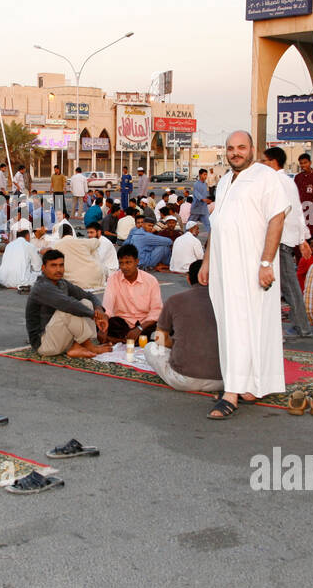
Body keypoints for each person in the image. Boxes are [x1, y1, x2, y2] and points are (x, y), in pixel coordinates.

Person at [199, 131, 289, 418]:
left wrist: (266, 263)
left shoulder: (266, 176)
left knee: (245, 325)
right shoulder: (225, 181)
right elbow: (218, 224)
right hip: (225, 268)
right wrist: (207, 262)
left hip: (251, 266)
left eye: (241, 147)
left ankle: (231, 393)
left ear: (253, 149)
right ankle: (248, 384)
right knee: (232, 325)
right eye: (230, 148)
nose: (235, 152)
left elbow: (277, 218)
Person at [144, 260, 222, 392]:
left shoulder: (175, 300)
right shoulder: (227, 301)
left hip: (184, 379)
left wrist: (179, 344)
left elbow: (160, 339)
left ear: (188, 279)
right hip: (222, 381)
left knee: (150, 347)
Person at [261, 146, 312, 338]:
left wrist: (301, 239)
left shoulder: (276, 181)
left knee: (289, 285)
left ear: (273, 162)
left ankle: (302, 326)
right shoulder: (287, 181)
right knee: (280, 284)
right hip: (285, 239)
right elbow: (298, 211)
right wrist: (301, 239)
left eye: (264, 161)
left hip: (279, 239)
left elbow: (281, 213)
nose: (262, 165)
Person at [26, 249, 111, 358]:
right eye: (53, 266)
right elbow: (68, 304)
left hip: (59, 337)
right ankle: (89, 346)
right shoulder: (42, 287)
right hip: (44, 344)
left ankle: (76, 346)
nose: (58, 269)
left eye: (61, 265)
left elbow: (88, 295)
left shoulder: (62, 283)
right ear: (43, 268)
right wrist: (94, 315)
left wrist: (99, 310)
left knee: (86, 302)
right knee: (68, 310)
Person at [103, 244, 163, 342]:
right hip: (122, 324)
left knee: (166, 324)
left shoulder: (151, 280)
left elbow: (156, 311)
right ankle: (129, 340)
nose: (124, 267)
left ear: (136, 262)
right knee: (105, 323)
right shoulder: (113, 279)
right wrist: (104, 322)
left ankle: (121, 340)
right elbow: (107, 308)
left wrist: (140, 328)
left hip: (145, 323)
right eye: (121, 263)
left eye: (128, 262)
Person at [51, 222, 107, 291]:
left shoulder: (56, 245)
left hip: (75, 282)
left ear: (60, 235)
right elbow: (96, 242)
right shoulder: (82, 241)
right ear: (72, 233)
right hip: (95, 277)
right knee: (92, 249)